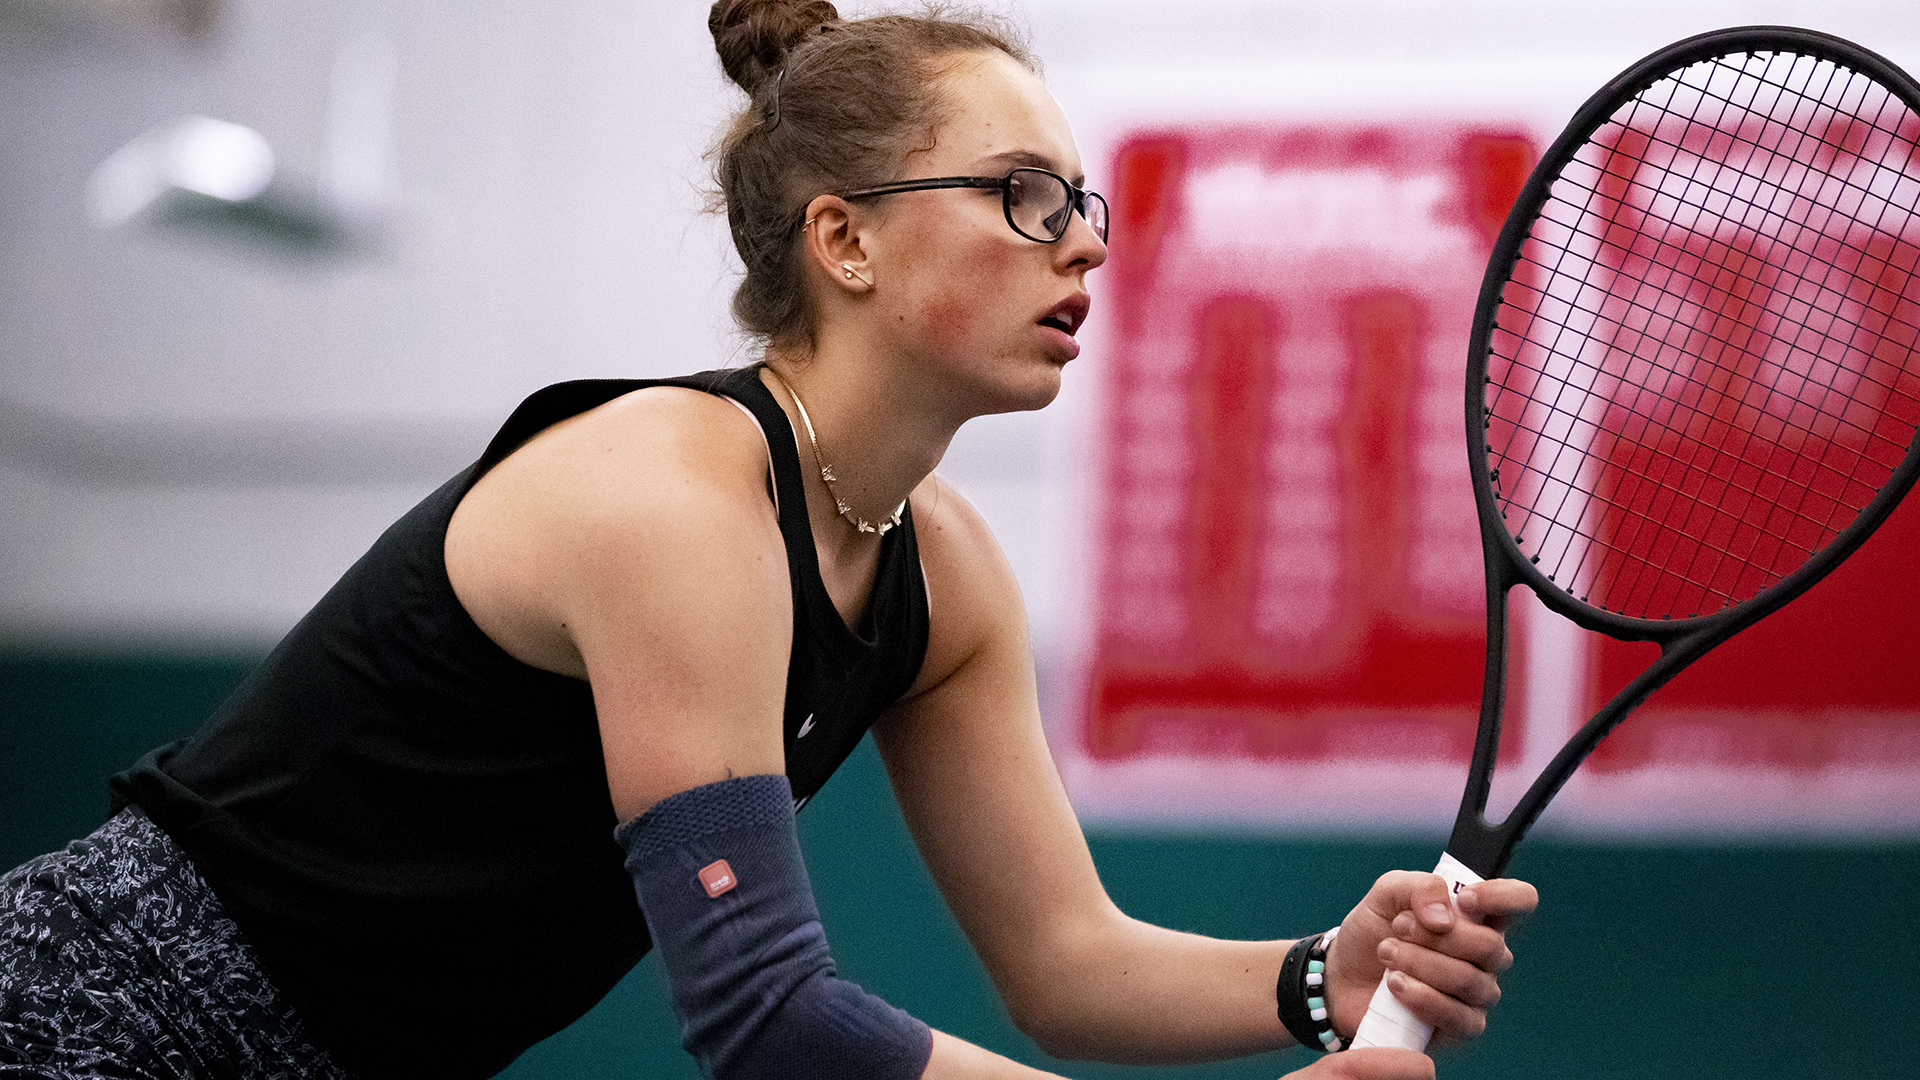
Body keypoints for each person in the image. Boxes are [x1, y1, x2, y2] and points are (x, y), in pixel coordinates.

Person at [0, 3, 1537, 1079]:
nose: (1080, 237)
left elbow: (1067, 963)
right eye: (1017, 195)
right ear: (845, 238)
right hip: (81, 1015)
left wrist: (1318, 978)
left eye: (1079, 201)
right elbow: (764, 1017)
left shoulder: (948, 577)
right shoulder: (675, 501)